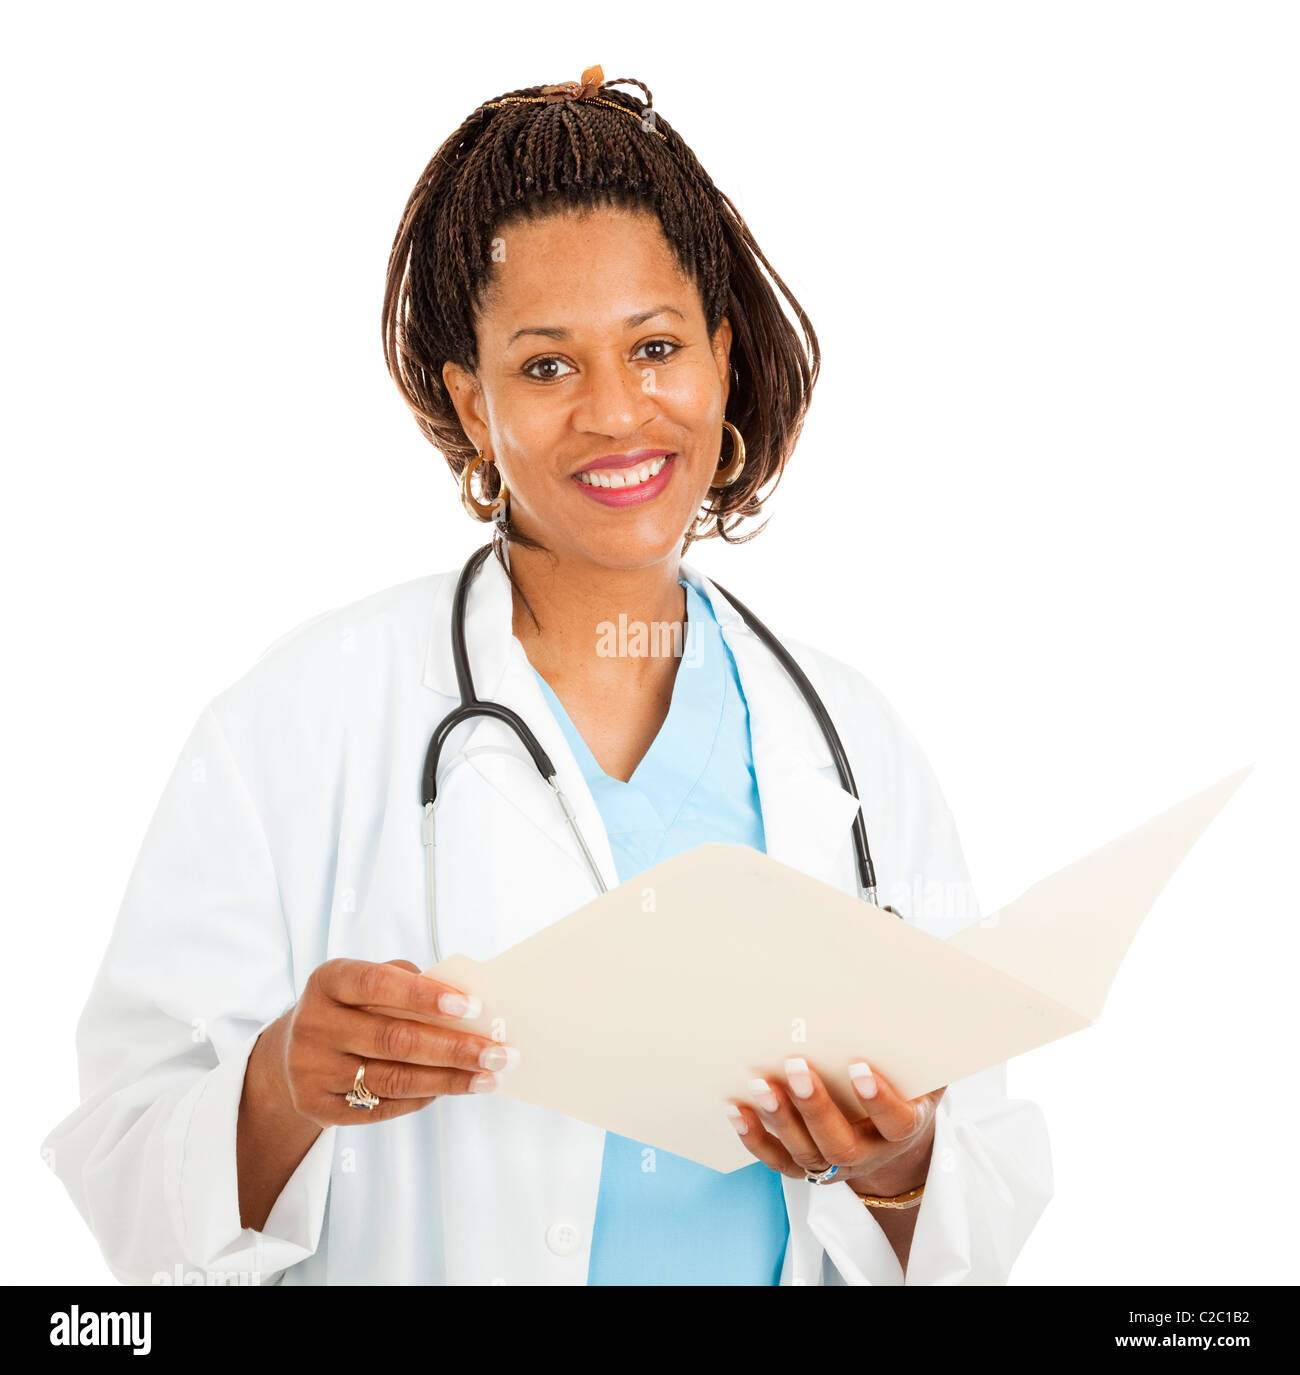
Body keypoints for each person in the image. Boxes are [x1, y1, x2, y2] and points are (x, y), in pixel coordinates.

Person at [43, 64, 1051, 1286]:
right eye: (547, 366)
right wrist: (279, 1085)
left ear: (721, 359)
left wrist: (898, 1166)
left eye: (658, 346)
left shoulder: (849, 740)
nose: (619, 413)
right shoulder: (298, 725)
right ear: (470, 402)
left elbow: (979, 1202)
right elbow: (126, 1168)